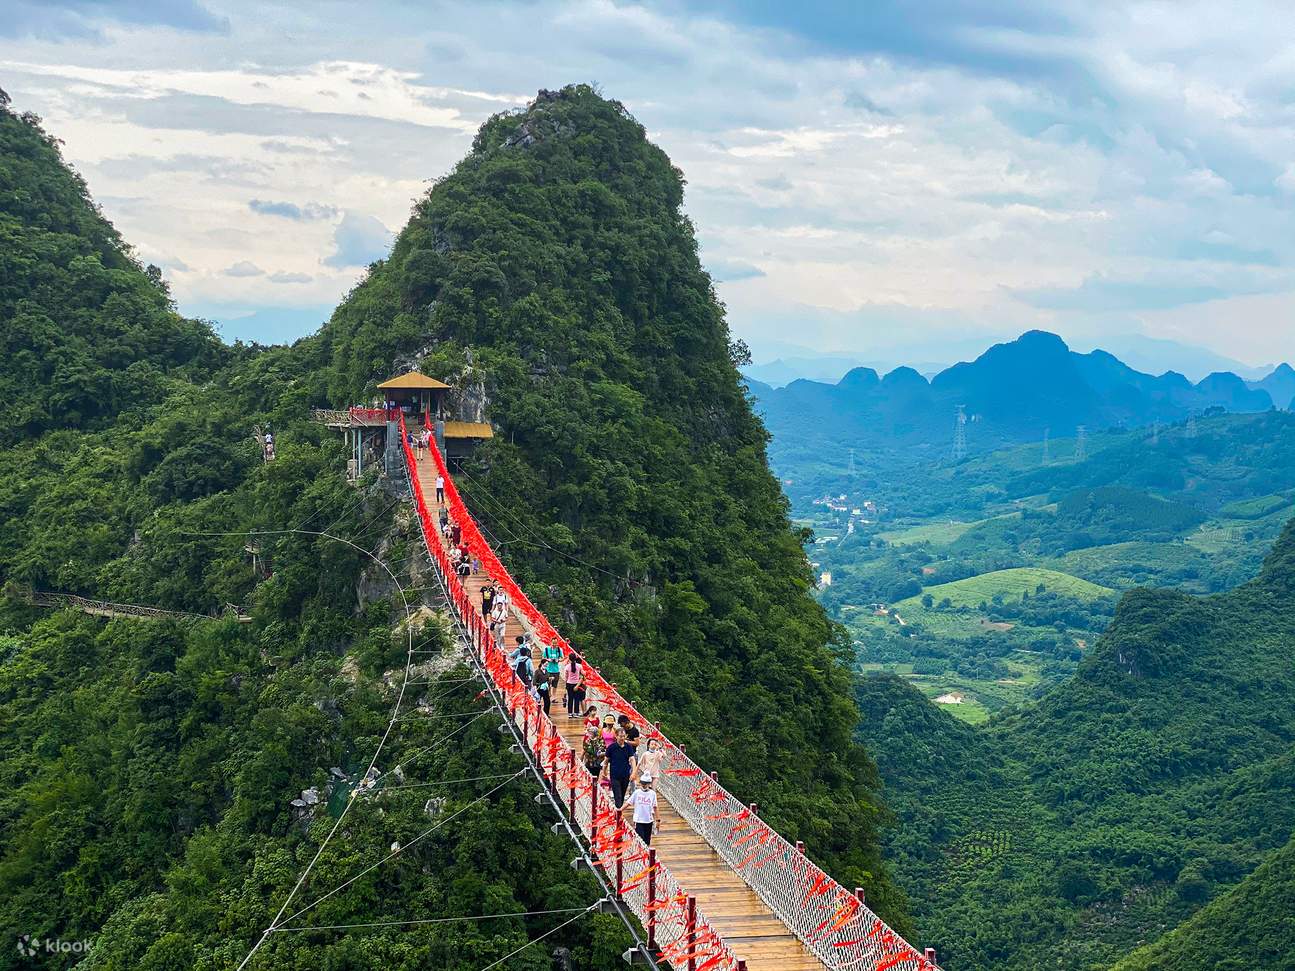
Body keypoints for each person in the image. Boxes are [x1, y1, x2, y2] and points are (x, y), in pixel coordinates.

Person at [602, 728, 637, 811]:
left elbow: (632, 759)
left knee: (622, 794)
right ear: (616, 736)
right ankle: (618, 814)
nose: (622, 738)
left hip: (625, 774)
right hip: (614, 775)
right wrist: (604, 772)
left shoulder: (628, 747)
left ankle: (618, 812)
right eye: (620, 736)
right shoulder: (611, 747)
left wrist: (634, 772)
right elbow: (606, 761)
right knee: (618, 795)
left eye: (624, 736)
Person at [628, 774, 659, 845]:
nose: (644, 785)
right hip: (638, 820)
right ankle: (641, 854)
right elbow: (628, 803)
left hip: (649, 820)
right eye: (642, 783)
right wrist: (620, 810)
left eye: (646, 783)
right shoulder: (637, 792)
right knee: (640, 840)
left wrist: (658, 820)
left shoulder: (652, 794)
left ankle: (646, 855)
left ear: (649, 784)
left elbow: (655, 807)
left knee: (647, 841)